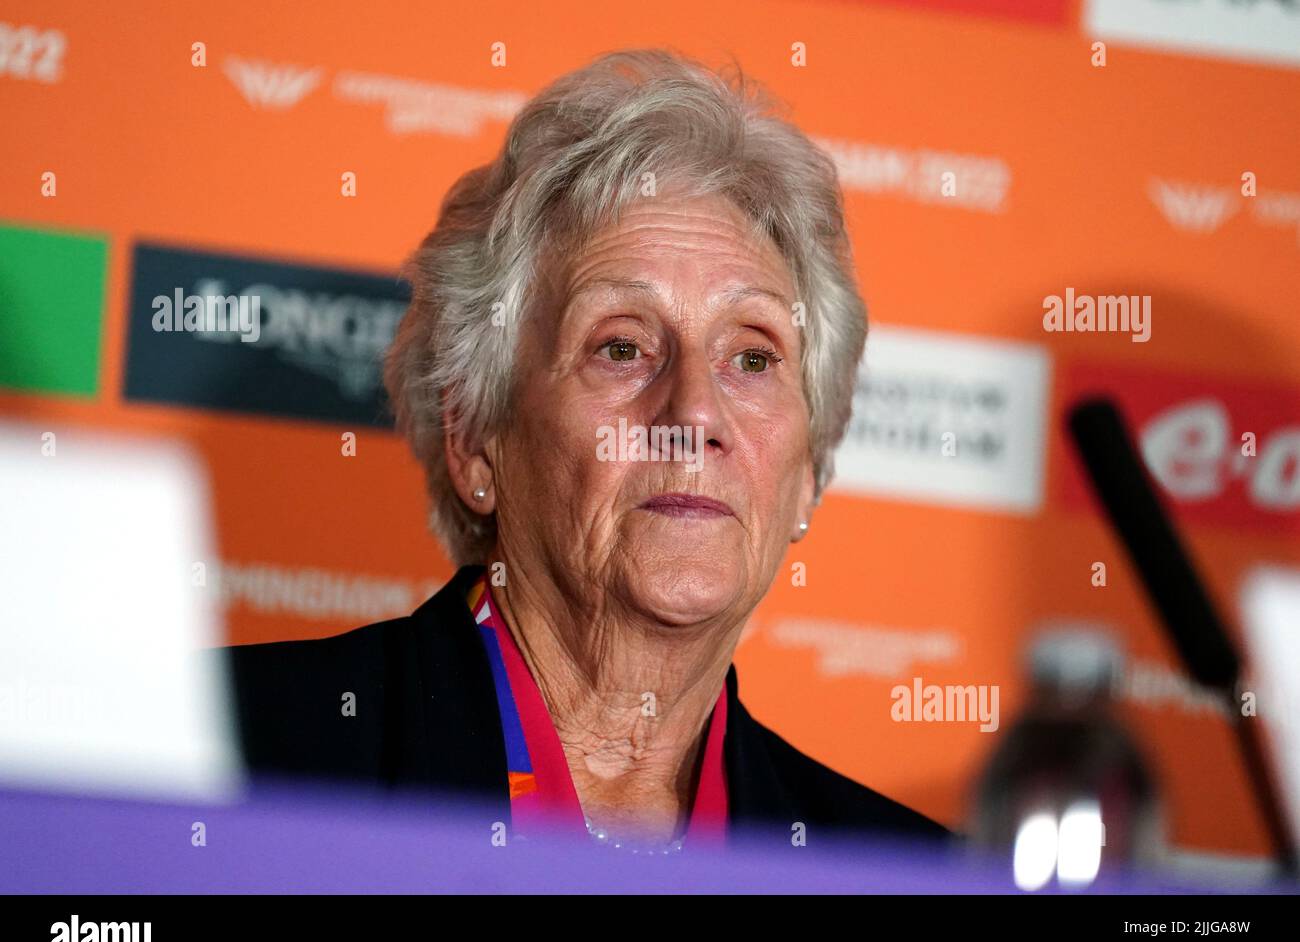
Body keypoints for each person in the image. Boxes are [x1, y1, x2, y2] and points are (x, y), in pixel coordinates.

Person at [229, 48, 950, 854]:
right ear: (474, 436)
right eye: (622, 347)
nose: (695, 413)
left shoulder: (904, 870)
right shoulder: (226, 755)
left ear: (811, 469)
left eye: (753, 356)